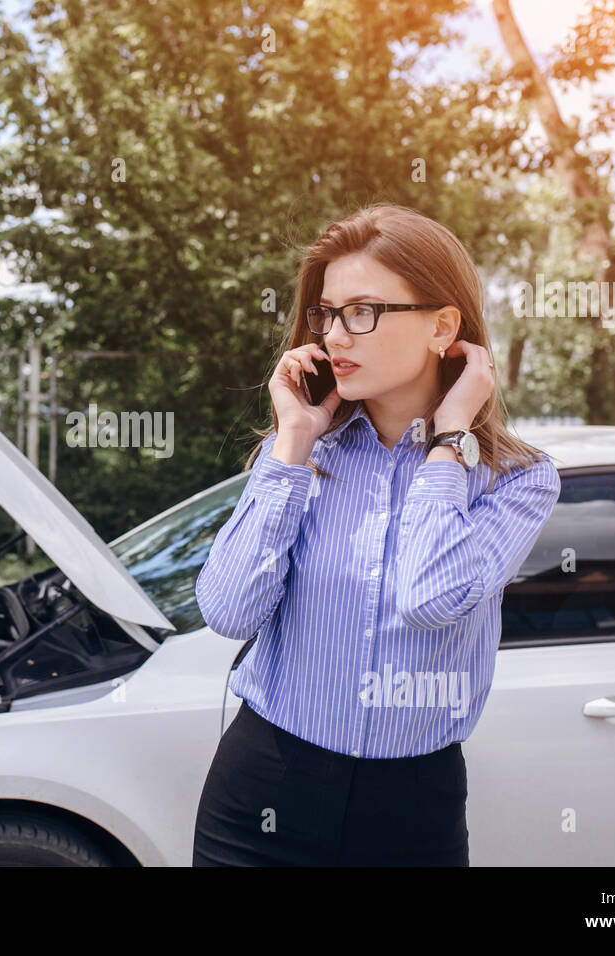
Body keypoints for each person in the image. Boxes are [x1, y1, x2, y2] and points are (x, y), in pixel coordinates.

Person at [192, 203, 561, 866]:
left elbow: (431, 598)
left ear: (442, 326)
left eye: (362, 312)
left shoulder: (517, 481)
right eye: (326, 314)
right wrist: (294, 441)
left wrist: (449, 440)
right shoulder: (304, 453)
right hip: (264, 791)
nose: (336, 336)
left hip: (411, 809)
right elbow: (227, 610)